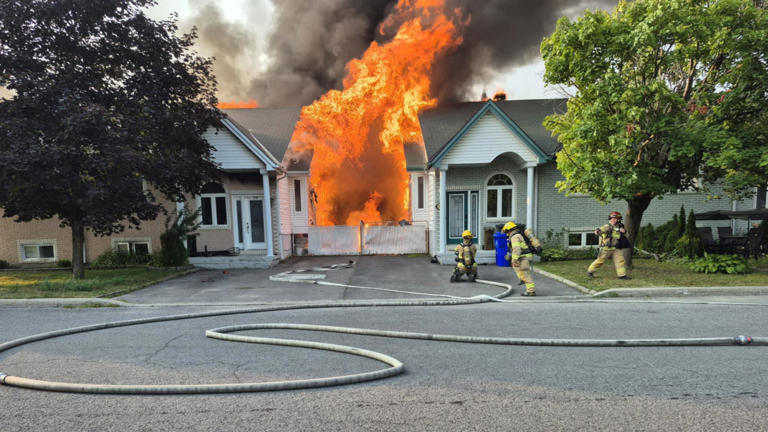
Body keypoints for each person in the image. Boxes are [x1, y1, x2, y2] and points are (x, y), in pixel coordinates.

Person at [588, 211, 631, 280]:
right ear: (610, 219)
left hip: (616, 248)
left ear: (618, 219)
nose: (613, 220)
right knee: (600, 261)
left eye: (615, 219)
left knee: (620, 261)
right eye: (612, 218)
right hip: (606, 249)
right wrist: (597, 231)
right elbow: (599, 230)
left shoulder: (619, 227)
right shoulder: (607, 226)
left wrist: (624, 232)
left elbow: (626, 236)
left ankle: (622, 275)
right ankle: (590, 271)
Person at [502, 221, 540, 296]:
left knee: (525, 274)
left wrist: (514, 259)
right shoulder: (517, 235)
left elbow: (517, 249)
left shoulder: (514, 237)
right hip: (524, 257)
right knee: (519, 270)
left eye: (506, 231)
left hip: (523, 258)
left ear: (508, 230)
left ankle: (531, 291)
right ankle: (522, 280)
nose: (506, 234)